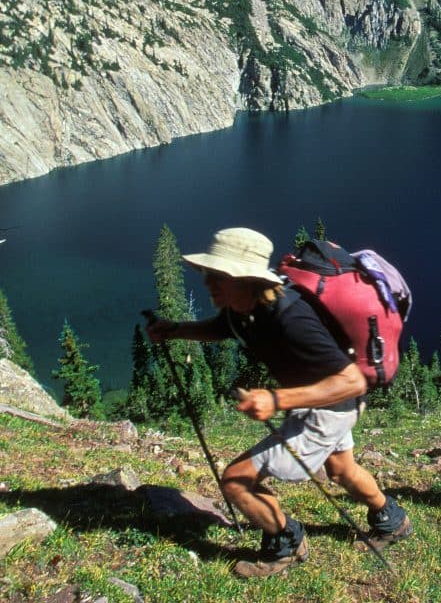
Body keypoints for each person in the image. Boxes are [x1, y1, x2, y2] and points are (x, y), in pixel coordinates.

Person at [147, 227, 412, 579]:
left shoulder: (290, 317)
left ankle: (286, 540)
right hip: (326, 404)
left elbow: (351, 381)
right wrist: (177, 329)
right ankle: (392, 521)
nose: (209, 282)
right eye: (208, 273)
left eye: (218, 275)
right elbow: (223, 327)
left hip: (330, 408)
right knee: (341, 471)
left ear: (246, 278)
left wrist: (276, 399)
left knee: (236, 482)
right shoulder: (246, 306)